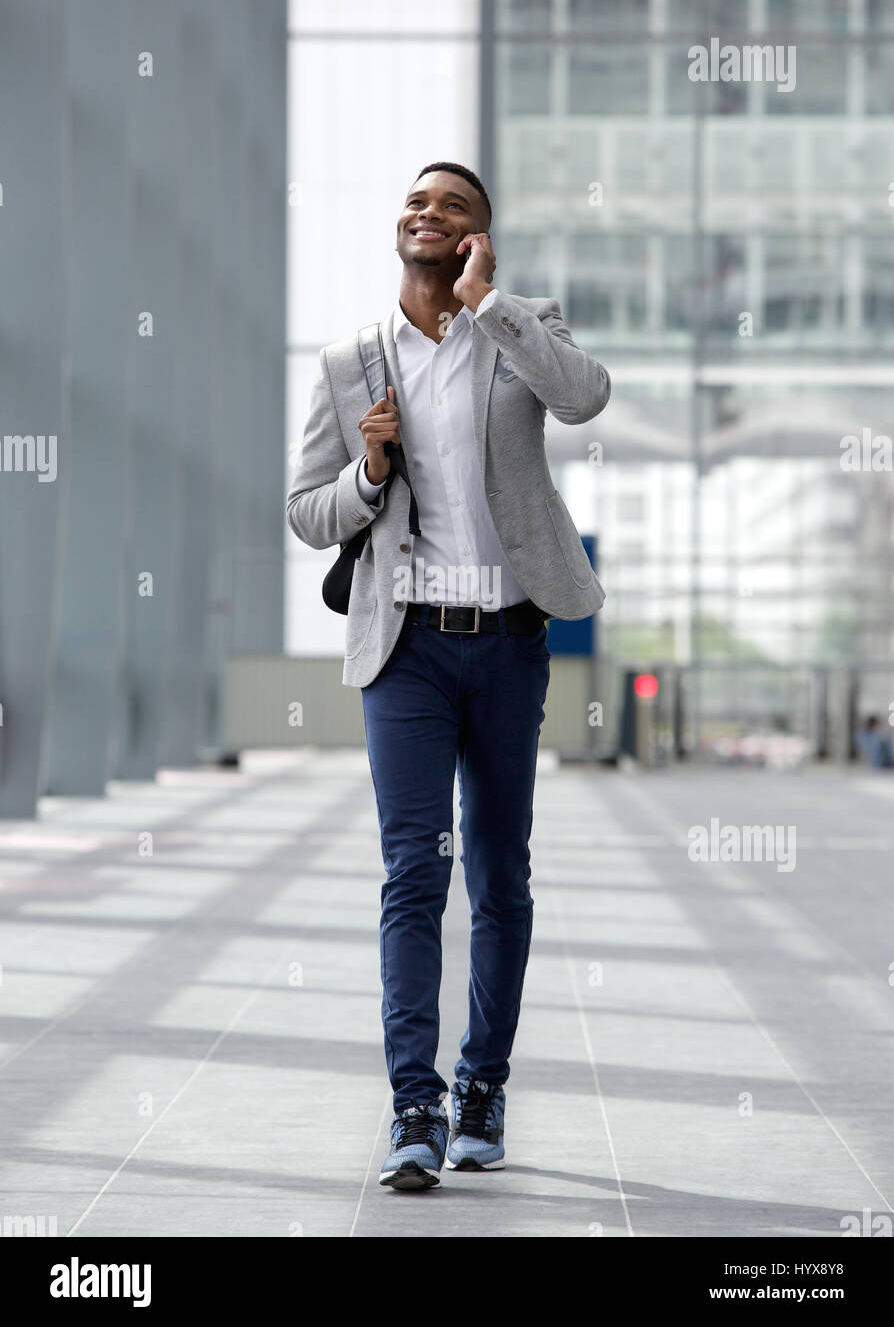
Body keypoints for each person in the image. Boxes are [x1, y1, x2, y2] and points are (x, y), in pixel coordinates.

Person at [286, 161, 611, 1191]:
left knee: (500, 869)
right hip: (408, 648)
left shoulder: (520, 329)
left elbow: (586, 395)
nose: (427, 211)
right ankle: (414, 1108)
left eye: (452, 206)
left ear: (477, 239)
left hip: (511, 638)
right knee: (415, 872)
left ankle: (482, 1087)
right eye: (416, 201)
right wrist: (367, 474)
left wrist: (490, 305)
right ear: (401, 230)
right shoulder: (348, 362)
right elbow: (306, 511)